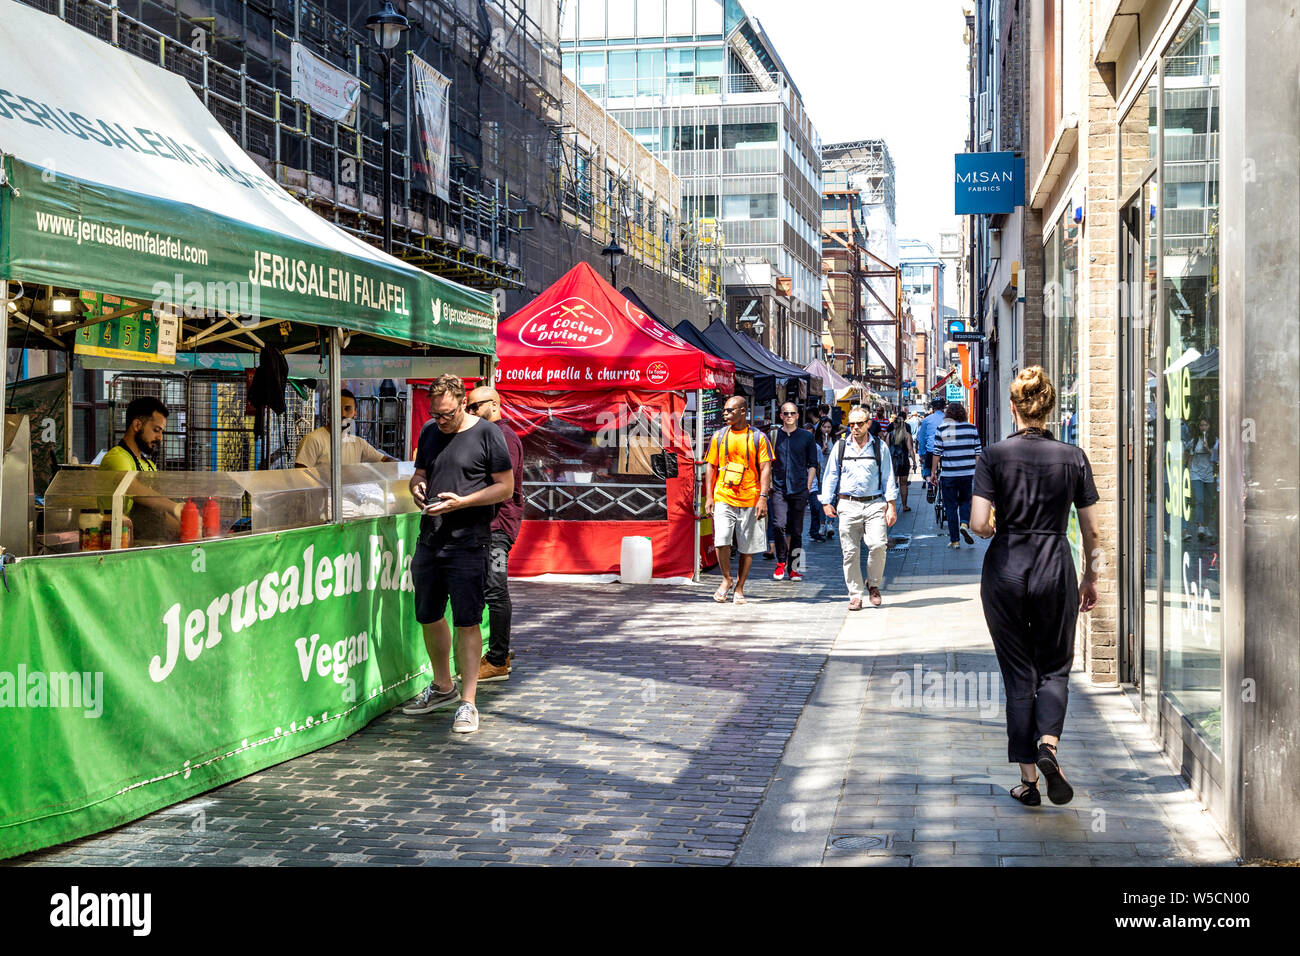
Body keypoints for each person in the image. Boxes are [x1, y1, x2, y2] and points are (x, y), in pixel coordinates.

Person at [968, 367, 1100, 808]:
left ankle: (1029, 782)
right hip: (1054, 566)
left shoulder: (994, 455)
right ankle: (1049, 746)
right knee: (1055, 667)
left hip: (1006, 567)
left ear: (1014, 407)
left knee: (1018, 672)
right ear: (1050, 407)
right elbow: (1094, 532)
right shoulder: (1074, 457)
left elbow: (978, 523)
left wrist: (996, 529)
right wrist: (1092, 575)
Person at [402, 374, 514, 734]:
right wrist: (417, 485)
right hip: (430, 538)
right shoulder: (430, 431)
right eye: (435, 414)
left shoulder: (487, 434)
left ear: (463, 403)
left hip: (469, 540)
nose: (441, 421)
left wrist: (464, 502)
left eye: (447, 414)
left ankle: (468, 701)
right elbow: (420, 472)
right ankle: (442, 687)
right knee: (428, 615)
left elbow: (505, 488)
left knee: (467, 620)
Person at [464, 386, 524, 682]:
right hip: (489, 525)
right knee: (491, 589)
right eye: (469, 407)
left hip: (497, 526)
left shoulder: (502, 437)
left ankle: (498, 659)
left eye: (474, 407)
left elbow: (503, 487)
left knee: (495, 590)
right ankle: (498, 651)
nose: (470, 413)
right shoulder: (492, 435)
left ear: (494, 405)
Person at [820, 407, 898, 609]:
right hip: (847, 504)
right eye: (852, 424)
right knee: (850, 552)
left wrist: (891, 506)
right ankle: (855, 594)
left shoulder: (879, 447)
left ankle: (873, 584)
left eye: (860, 423)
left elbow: (888, 477)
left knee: (878, 545)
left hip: (874, 503)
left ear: (868, 423)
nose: (855, 427)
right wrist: (827, 502)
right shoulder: (841, 447)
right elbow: (830, 475)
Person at [704, 395, 772, 604]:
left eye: (730, 410)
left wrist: (763, 497)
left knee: (747, 547)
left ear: (743, 411)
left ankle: (740, 587)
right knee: (721, 540)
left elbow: (765, 468)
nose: (725, 414)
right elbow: (710, 466)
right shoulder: (719, 436)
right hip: (724, 495)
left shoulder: (758, 438)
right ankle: (726, 579)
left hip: (750, 498)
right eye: (724, 410)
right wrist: (709, 496)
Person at [99, 395, 181, 538]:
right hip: (116, 541)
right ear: (137, 425)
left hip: (145, 540)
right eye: (156, 430)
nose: (160, 437)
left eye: (162, 431)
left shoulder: (149, 465)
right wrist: (175, 507)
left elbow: (158, 513)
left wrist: (187, 528)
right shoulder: (116, 458)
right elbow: (133, 488)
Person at [769, 401, 819, 582]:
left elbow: (813, 464)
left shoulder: (806, 437)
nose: (789, 416)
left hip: (799, 488)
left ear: (798, 415)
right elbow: (767, 462)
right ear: (781, 416)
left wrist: (807, 486)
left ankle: (794, 568)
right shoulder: (773, 436)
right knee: (779, 525)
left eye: (792, 413)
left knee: (797, 531)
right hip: (779, 488)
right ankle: (781, 562)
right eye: (786, 413)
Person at [295, 388, 395, 468]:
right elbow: (300, 477)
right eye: (338, 407)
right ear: (329, 411)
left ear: (355, 413)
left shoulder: (359, 444)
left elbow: (386, 460)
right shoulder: (314, 440)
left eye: (347, 409)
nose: (342, 414)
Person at [929, 402, 981, 548]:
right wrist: (978, 472)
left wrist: (933, 472)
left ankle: (955, 540)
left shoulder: (943, 429)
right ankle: (964, 524)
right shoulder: (971, 428)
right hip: (967, 473)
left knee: (950, 507)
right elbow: (978, 452)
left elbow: (937, 453)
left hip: (949, 474)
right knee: (966, 501)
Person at [1188, 416, 1217, 539]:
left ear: (1209, 427)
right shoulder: (1194, 441)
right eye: (1201, 425)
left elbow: (1217, 457)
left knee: (1208, 502)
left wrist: (1208, 449)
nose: (1203, 427)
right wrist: (1188, 471)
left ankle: (1206, 526)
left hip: (1209, 473)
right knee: (1199, 500)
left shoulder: (1215, 440)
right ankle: (1200, 526)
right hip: (1196, 473)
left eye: (1206, 425)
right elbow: (1189, 456)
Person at [915, 397, 947, 503]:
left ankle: (929, 484)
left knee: (927, 468)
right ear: (943, 407)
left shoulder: (927, 420)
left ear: (932, 408)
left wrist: (922, 453)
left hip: (932, 450)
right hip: (946, 450)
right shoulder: (948, 418)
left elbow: (922, 438)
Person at [888, 411, 918, 513]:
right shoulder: (907, 435)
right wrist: (914, 462)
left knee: (892, 483)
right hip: (903, 461)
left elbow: (886, 449)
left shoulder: (889, 435)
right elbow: (910, 449)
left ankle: (891, 506)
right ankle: (904, 506)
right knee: (903, 484)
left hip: (892, 461)